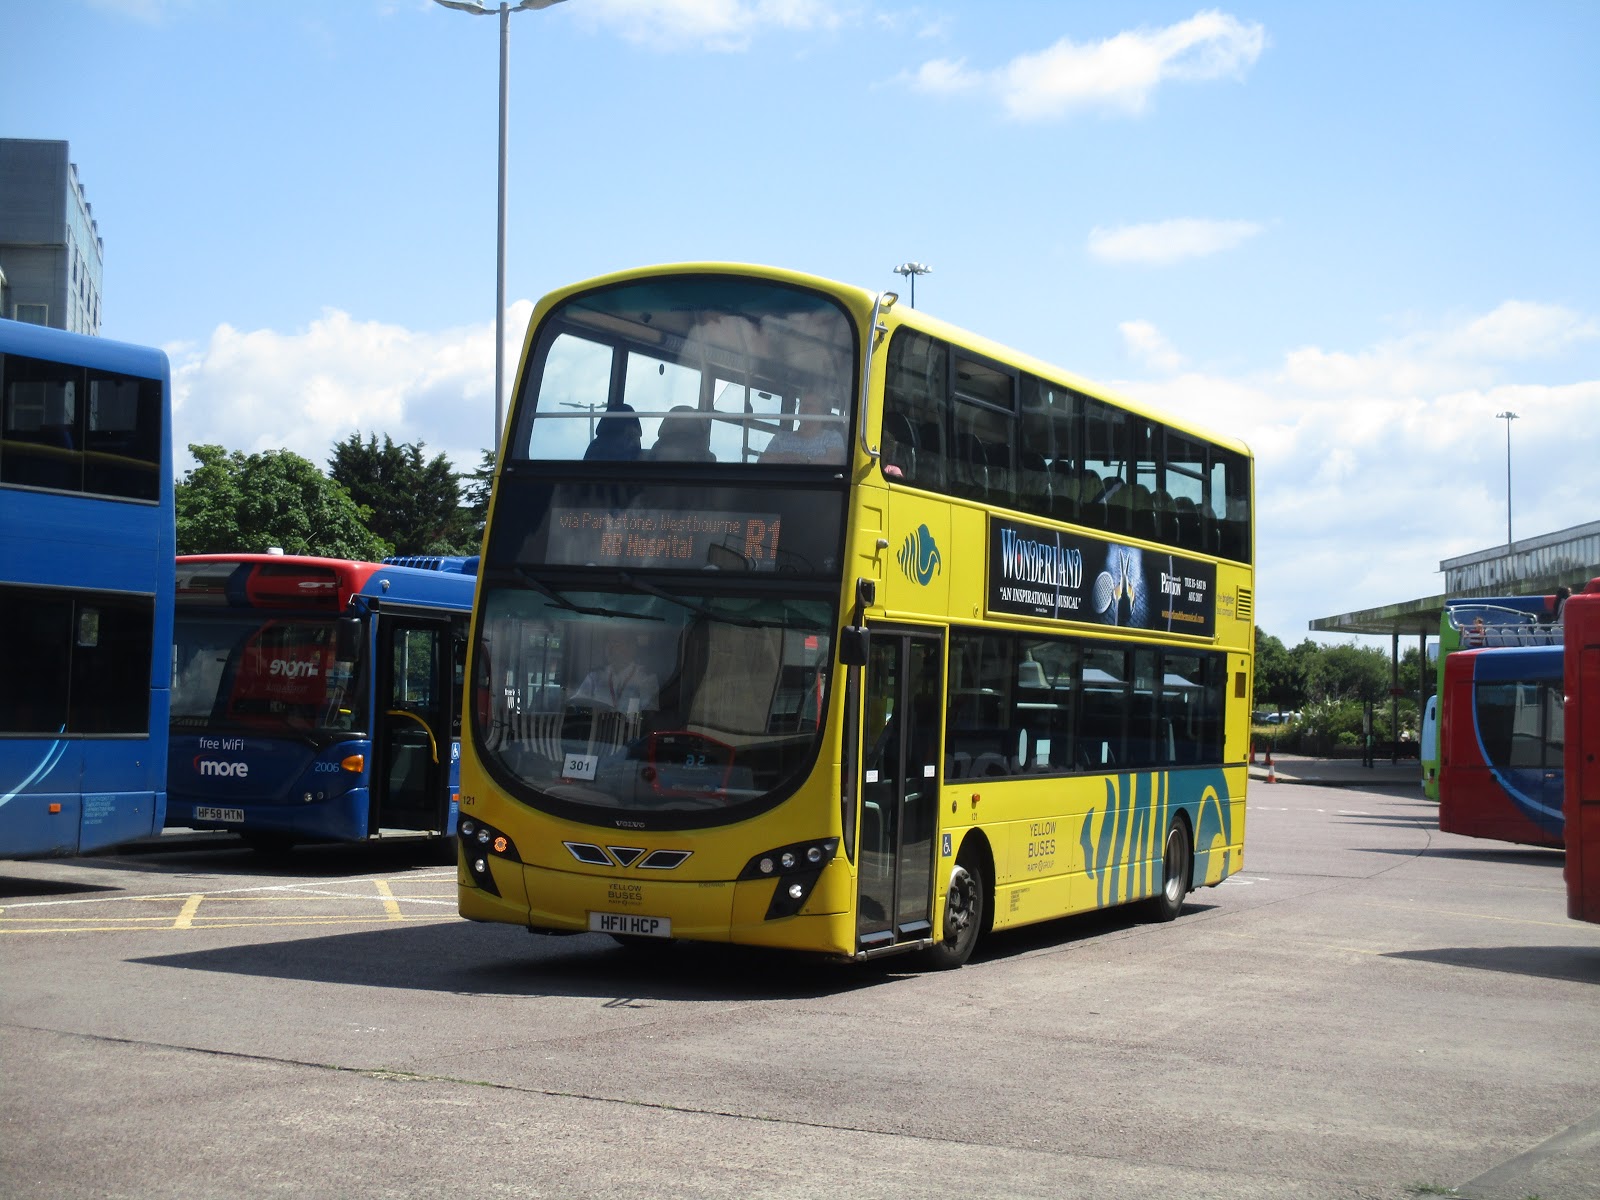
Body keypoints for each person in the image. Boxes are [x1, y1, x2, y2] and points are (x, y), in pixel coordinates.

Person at [571, 631, 659, 714]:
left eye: (616, 643)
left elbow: (649, 714)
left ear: (632, 648)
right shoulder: (595, 676)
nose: (609, 648)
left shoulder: (646, 678)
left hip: (631, 729)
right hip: (597, 727)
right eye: (608, 643)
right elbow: (577, 703)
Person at [760, 391, 846, 464]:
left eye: (810, 405)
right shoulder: (781, 437)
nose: (804, 409)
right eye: (802, 404)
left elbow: (835, 461)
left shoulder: (832, 437)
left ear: (823, 413)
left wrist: (804, 459)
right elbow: (762, 461)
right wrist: (786, 457)